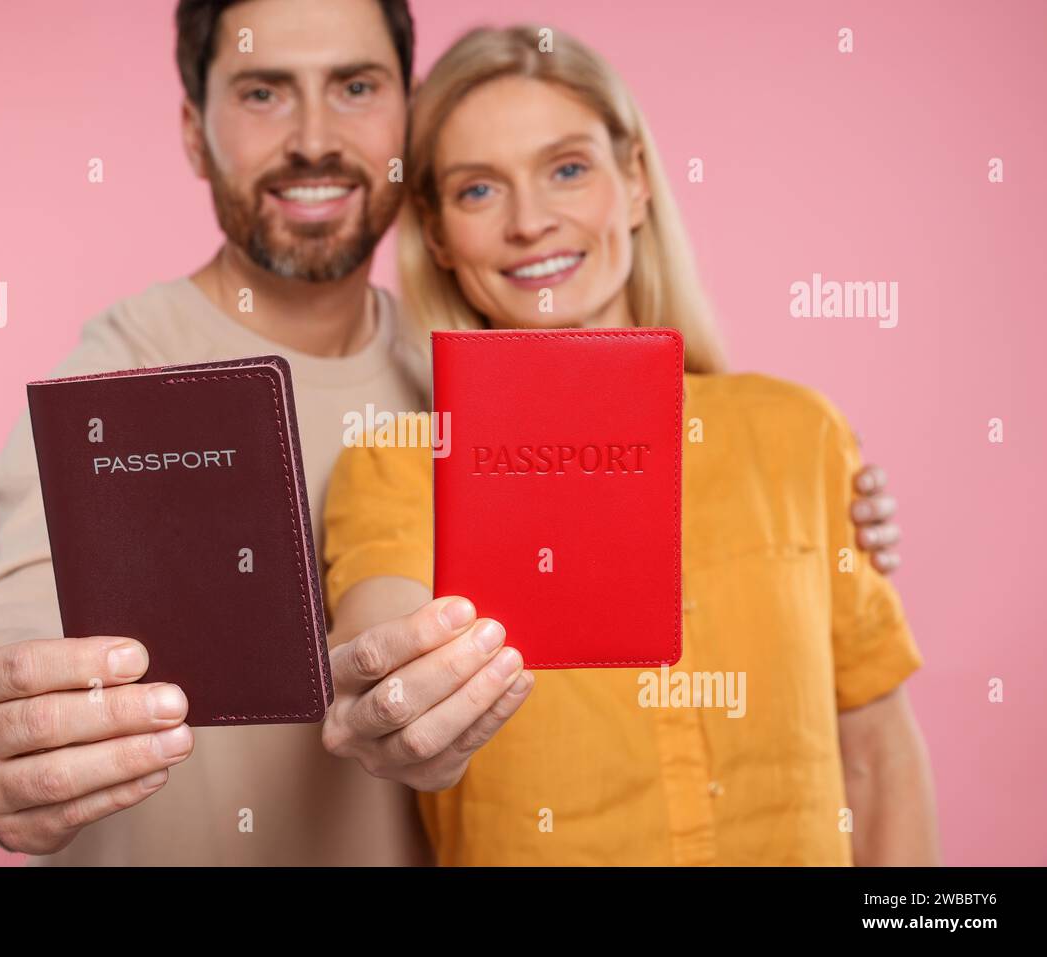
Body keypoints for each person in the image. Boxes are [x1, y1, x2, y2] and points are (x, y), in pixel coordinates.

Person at [0, 0, 905, 865]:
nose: (312, 136)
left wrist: (827, 502)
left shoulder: (456, 390)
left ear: (403, 113)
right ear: (192, 129)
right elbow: (18, 593)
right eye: (263, 92)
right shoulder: (129, 368)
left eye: (354, 86)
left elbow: (864, 726)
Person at [320, 25, 939, 864]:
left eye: (567, 169)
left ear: (637, 183)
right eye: (476, 191)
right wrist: (393, 696)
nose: (531, 222)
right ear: (436, 236)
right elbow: (379, 636)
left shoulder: (799, 432)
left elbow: (875, 754)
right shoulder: (398, 462)